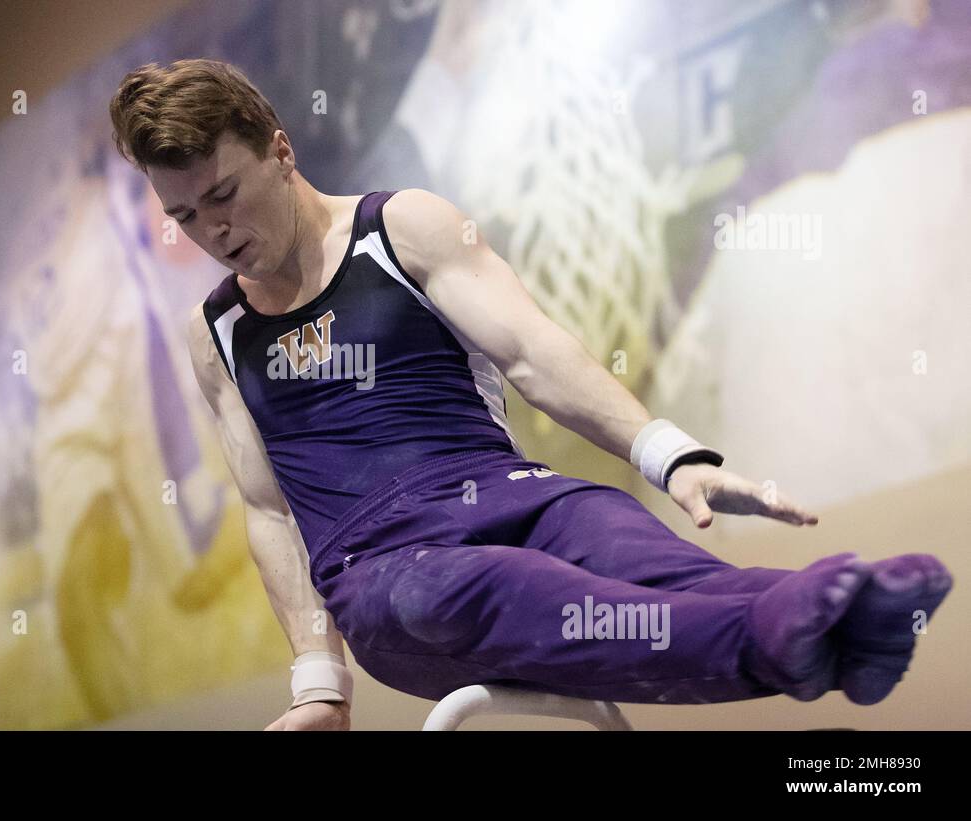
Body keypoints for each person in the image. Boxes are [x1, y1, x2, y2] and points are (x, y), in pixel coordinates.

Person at [108, 58, 952, 730]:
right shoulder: (215, 334)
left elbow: (534, 350)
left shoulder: (400, 230)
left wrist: (668, 454)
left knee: (636, 553)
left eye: (222, 194)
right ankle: (783, 631)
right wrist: (317, 681)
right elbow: (269, 511)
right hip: (390, 575)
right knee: (502, 589)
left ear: (280, 149)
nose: (211, 231)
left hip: (515, 496)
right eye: (185, 217)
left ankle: (849, 626)